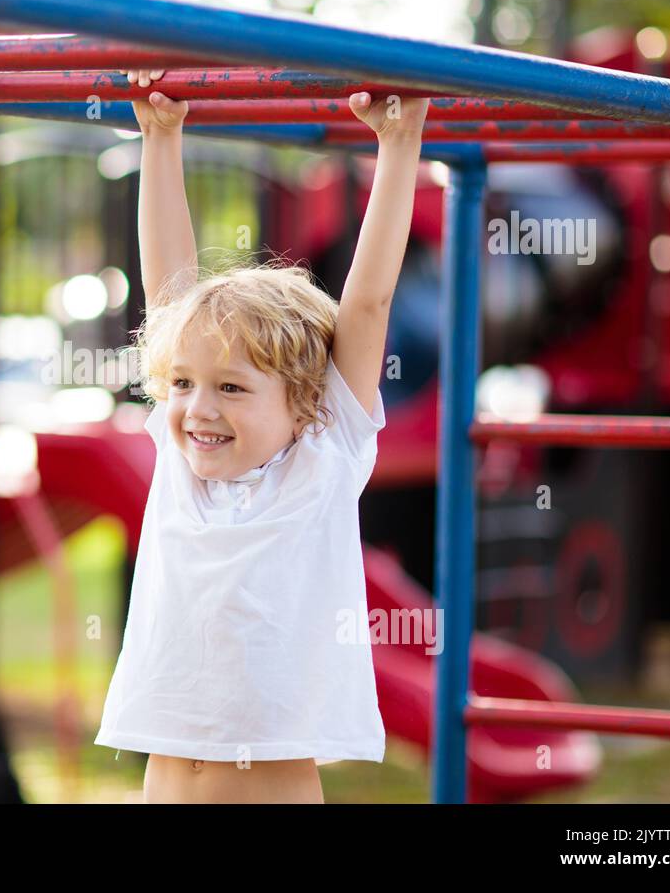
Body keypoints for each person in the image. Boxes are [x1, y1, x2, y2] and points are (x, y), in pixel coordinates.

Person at [93, 68, 429, 803]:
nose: (198, 409)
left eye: (233, 388)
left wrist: (399, 144)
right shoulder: (181, 469)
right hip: (167, 779)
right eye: (183, 383)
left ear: (307, 402)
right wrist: (160, 138)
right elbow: (169, 297)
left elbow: (367, 303)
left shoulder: (325, 454)